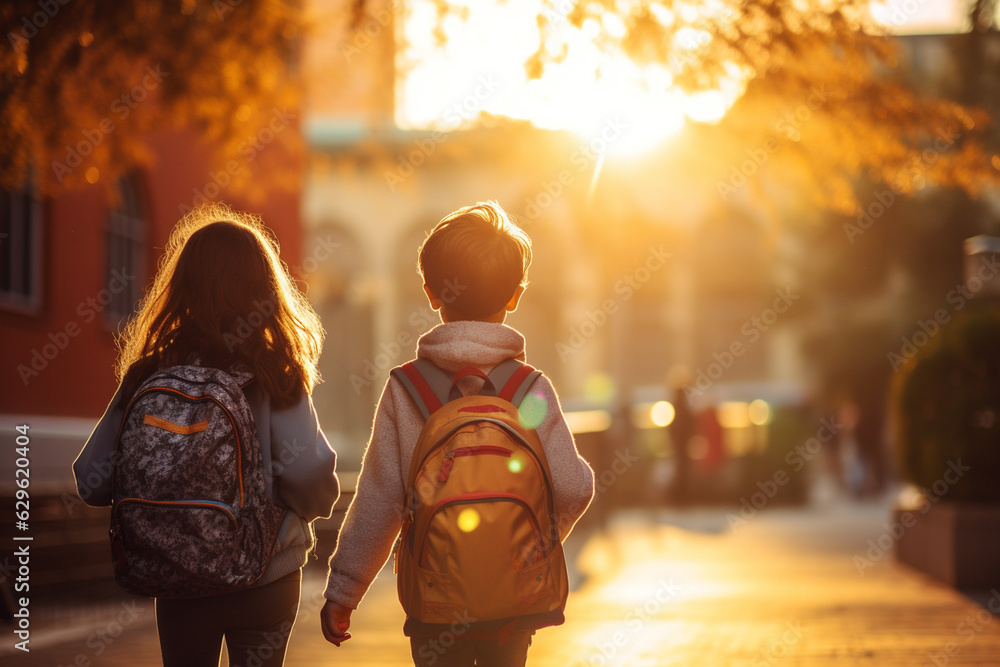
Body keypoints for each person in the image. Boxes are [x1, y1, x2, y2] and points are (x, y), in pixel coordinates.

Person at [321, 201, 595, 666]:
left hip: (435, 600)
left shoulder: (405, 389)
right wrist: (523, 551)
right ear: (515, 295)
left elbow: (379, 500)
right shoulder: (530, 389)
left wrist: (344, 591)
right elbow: (575, 487)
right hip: (513, 601)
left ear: (431, 292)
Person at [73, 204, 339, 667]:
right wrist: (314, 507)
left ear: (183, 288)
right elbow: (307, 473)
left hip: (178, 578)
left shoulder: (149, 372)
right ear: (264, 290)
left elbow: (93, 479)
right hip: (266, 577)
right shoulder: (276, 373)